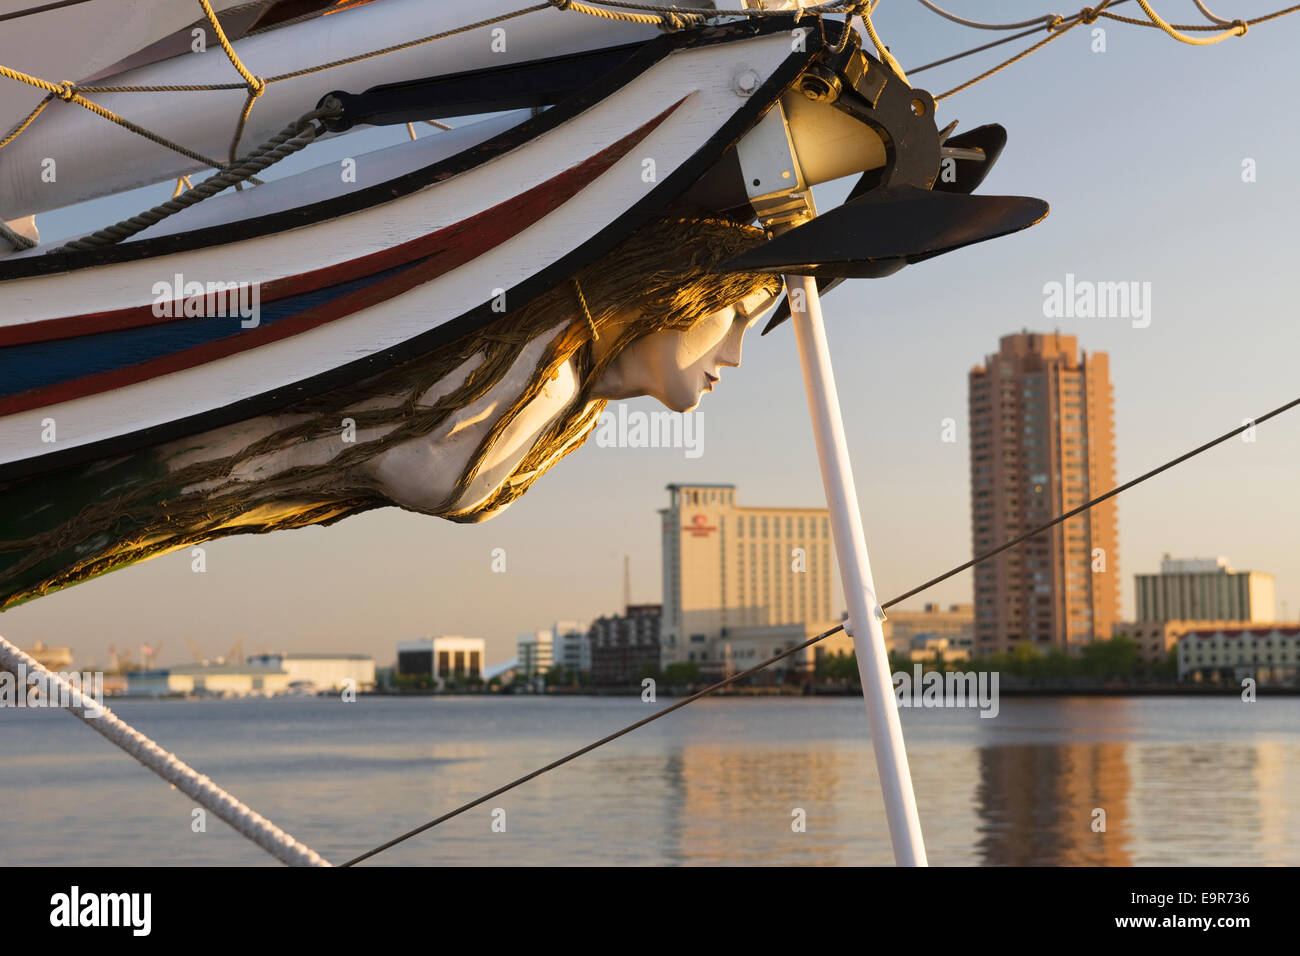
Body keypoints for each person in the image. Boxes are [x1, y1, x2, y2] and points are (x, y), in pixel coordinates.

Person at [0, 216, 782, 608]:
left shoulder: (568, 398)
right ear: (674, 290)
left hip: (173, 489)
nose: (737, 355)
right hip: (162, 469)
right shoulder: (539, 370)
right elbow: (429, 470)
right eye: (735, 318)